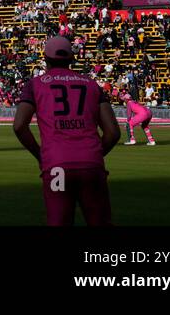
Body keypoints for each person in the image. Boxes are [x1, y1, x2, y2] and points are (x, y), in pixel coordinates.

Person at [13, 36, 120, 226]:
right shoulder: (91, 84)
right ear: (72, 59)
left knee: (59, 221)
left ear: (45, 59)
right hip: (91, 166)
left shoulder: (35, 85)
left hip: (56, 167)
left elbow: (19, 125)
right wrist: (93, 157)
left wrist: (41, 156)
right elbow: (112, 132)